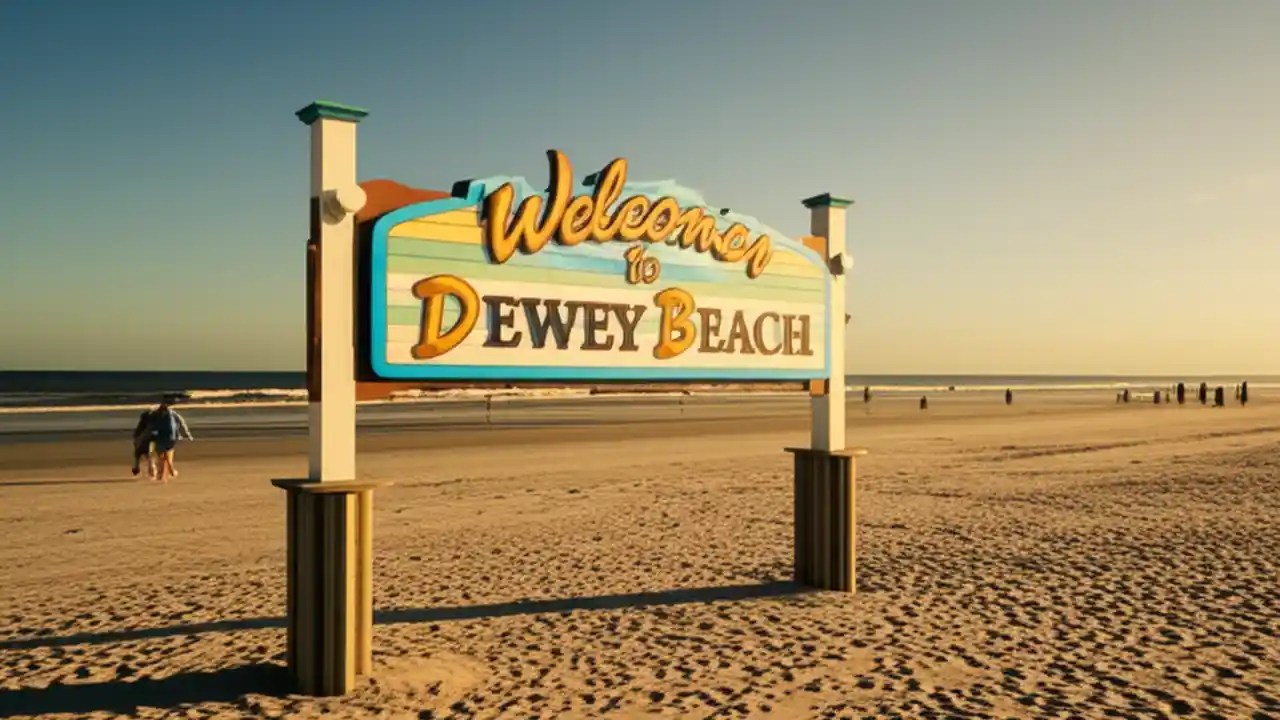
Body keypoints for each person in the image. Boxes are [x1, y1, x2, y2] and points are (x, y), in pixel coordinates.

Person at [149, 401, 194, 482]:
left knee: (162, 456)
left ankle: (162, 473)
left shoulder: (154, 414)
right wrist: (187, 435)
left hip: (160, 438)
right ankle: (170, 472)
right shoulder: (173, 413)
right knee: (167, 455)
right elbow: (181, 423)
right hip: (171, 438)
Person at [130, 407, 157, 477]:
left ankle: (136, 466)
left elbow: (136, 436)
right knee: (149, 456)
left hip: (140, 441)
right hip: (148, 441)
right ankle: (152, 470)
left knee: (138, 454)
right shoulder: (152, 425)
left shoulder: (140, 426)